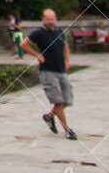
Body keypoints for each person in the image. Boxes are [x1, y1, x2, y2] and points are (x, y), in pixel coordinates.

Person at [23, 8, 76, 140]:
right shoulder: (38, 33)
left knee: (67, 100)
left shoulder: (60, 32)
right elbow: (24, 44)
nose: (51, 21)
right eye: (48, 19)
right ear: (43, 20)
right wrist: (37, 54)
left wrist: (68, 60)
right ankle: (67, 130)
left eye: (53, 19)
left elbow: (65, 46)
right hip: (48, 71)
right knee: (58, 101)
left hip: (61, 70)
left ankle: (49, 116)